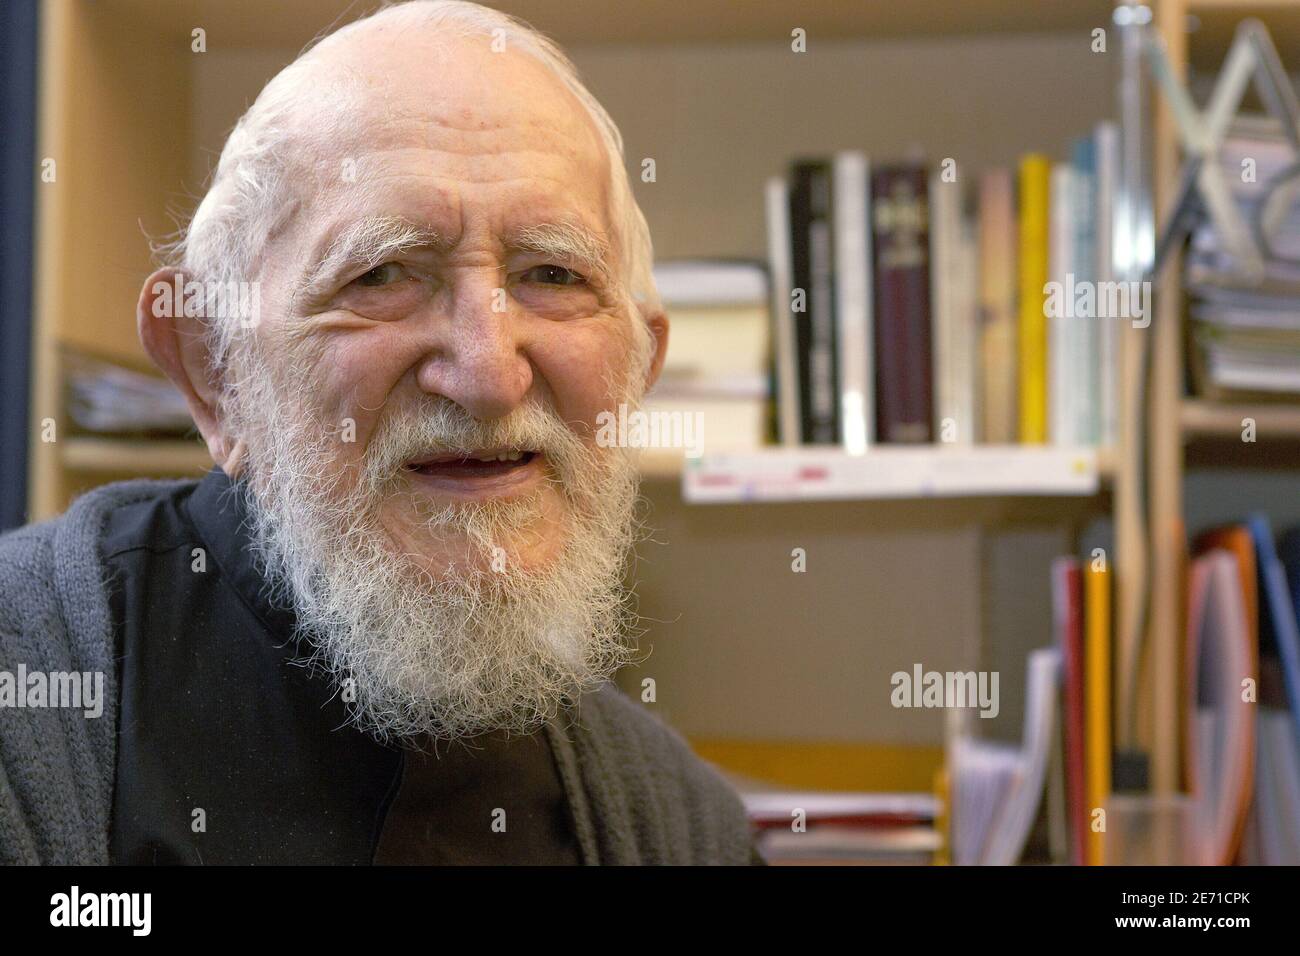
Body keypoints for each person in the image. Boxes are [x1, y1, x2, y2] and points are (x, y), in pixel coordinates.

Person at [0, 0, 757, 865]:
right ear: (214, 372)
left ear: (638, 366)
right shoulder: (30, 704)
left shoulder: (677, 823)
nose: (488, 374)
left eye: (553, 273)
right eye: (384, 273)